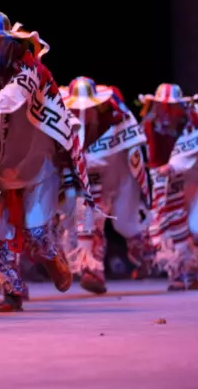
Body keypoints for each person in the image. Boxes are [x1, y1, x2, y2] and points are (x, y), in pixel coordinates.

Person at [0, 11, 93, 312]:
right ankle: (11, 291)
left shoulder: (30, 68)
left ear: (7, 44)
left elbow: (16, 92)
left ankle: (50, 255)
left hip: (37, 167)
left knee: (37, 233)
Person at [59, 77, 153, 293]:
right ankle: (94, 269)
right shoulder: (65, 117)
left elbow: (134, 151)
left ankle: (145, 249)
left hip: (119, 175)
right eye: (76, 109)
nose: (83, 113)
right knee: (88, 217)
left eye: (89, 108)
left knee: (125, 224)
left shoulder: (119, 116)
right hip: (89, 181)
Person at [140, 84, 198, 290]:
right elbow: (153, 159)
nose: (165, 111)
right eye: (161, 106)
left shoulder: (196, 123)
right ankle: (186, 272)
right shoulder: (150, 125)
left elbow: (193, 155)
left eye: (170, 106)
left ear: (180, 107)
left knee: (196, 226)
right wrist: (162, 176)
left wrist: (172, 167)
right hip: (167, 181)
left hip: (195, 179)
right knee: (169, 226)